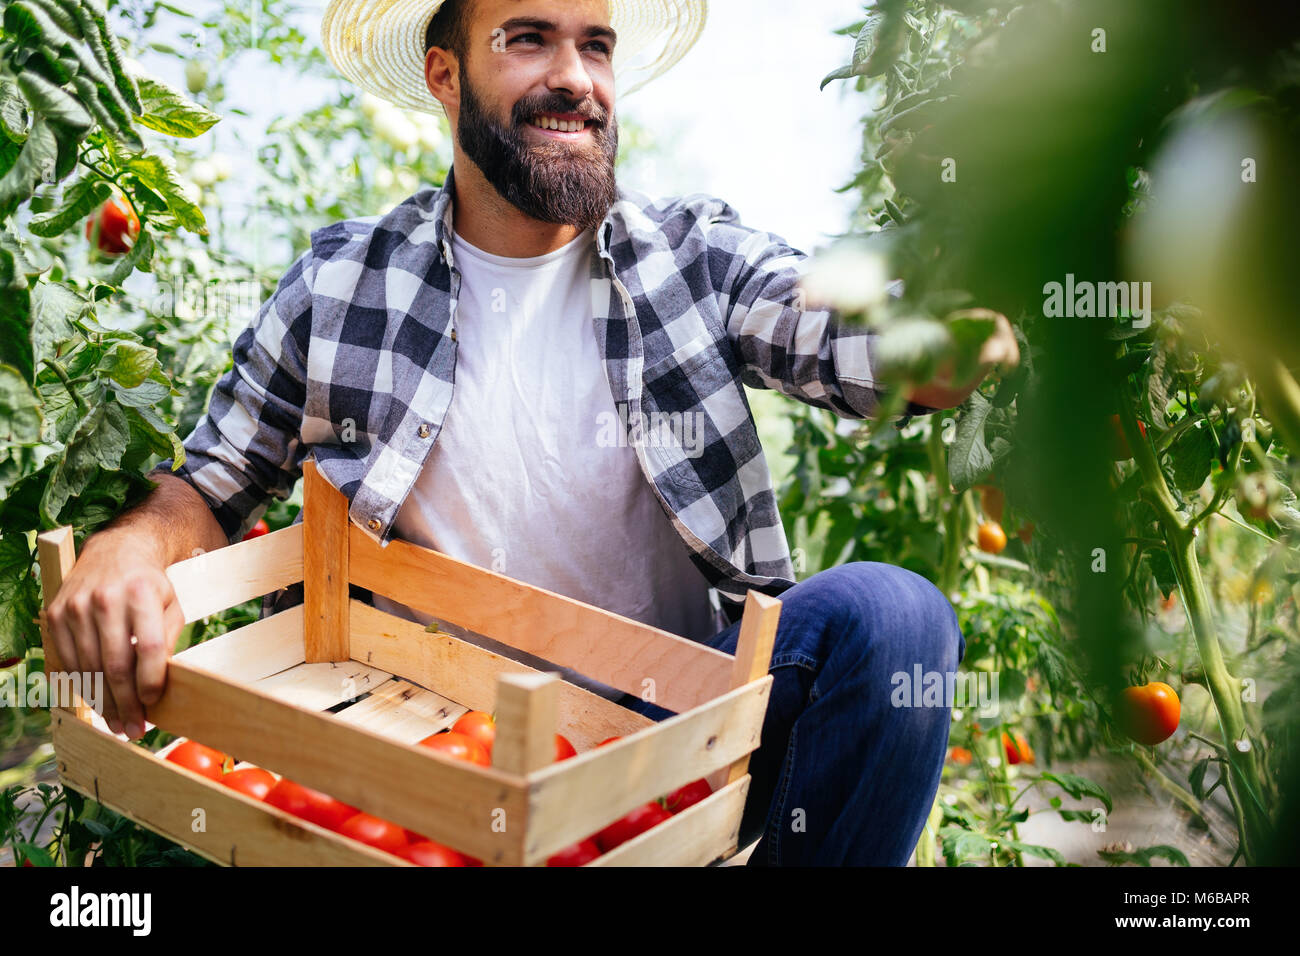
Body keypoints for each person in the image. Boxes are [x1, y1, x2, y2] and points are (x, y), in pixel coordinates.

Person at [43, 0, 1020, 865]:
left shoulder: (693, 257)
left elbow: (830, 330)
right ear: (444, 74)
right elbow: (209, 482)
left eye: (596, 44)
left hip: (660, 735)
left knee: (893, 622)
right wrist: (132, 544)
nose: (575, 77)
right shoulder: (343, 286)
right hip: (433, 747)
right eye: (528, 39)